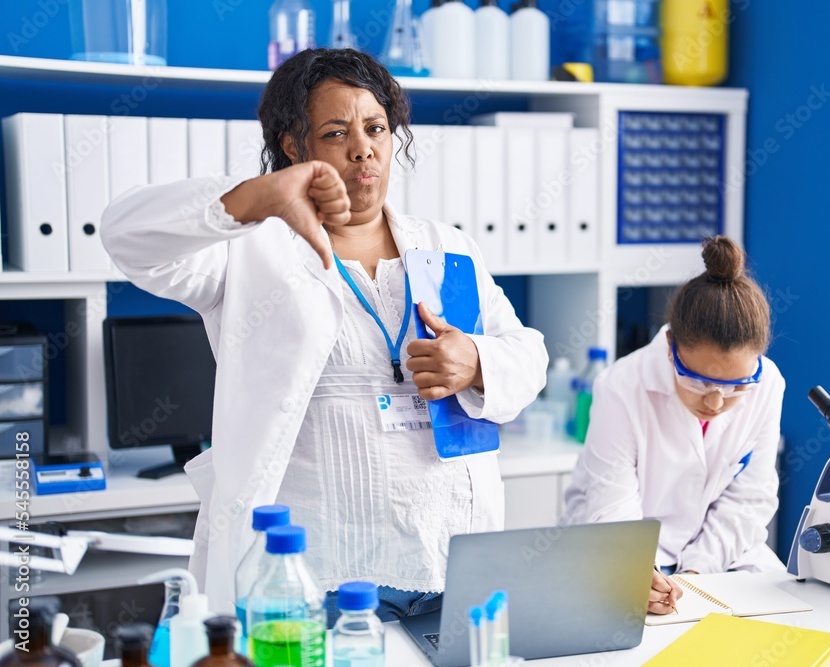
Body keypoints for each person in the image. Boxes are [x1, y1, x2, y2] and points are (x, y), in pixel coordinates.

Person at [101, 48, 547, 622]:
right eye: (336, 132)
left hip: (450, 561)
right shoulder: (251, 250)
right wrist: (255, 198)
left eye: (377, 128)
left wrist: (476, 359)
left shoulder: (447, 245)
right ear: (294, 146)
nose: (363, 148)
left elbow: (527, 353)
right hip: (314, 577)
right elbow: (126, 236)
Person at [562, 236, 785, 616]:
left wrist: (697, 571)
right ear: (670, 348)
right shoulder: (620, 386)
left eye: (735, 388)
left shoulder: (767, 384)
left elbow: (749, 500)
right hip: (621, 545)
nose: (715, 402)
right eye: (698, 382)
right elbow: (612, 504)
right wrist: (637, 572)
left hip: (717, 553)